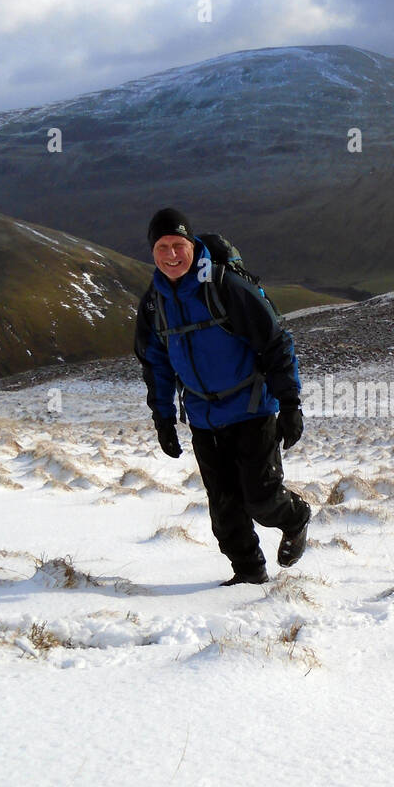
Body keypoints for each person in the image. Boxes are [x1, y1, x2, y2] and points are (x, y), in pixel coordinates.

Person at [134, 208, 311, 585]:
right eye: (162, 247)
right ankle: (248, 576)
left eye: (178, 245)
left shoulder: (224, 286)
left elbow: (276, 343)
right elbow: (156, 365)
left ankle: (295, 517)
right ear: (152, 250)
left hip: (251, 410)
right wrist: (163, 419)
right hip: (202, 418)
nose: (171, 255)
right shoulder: (154, 303)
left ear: (191, 244)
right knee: (225, 511)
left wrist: (290, 404)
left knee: (261, 500)